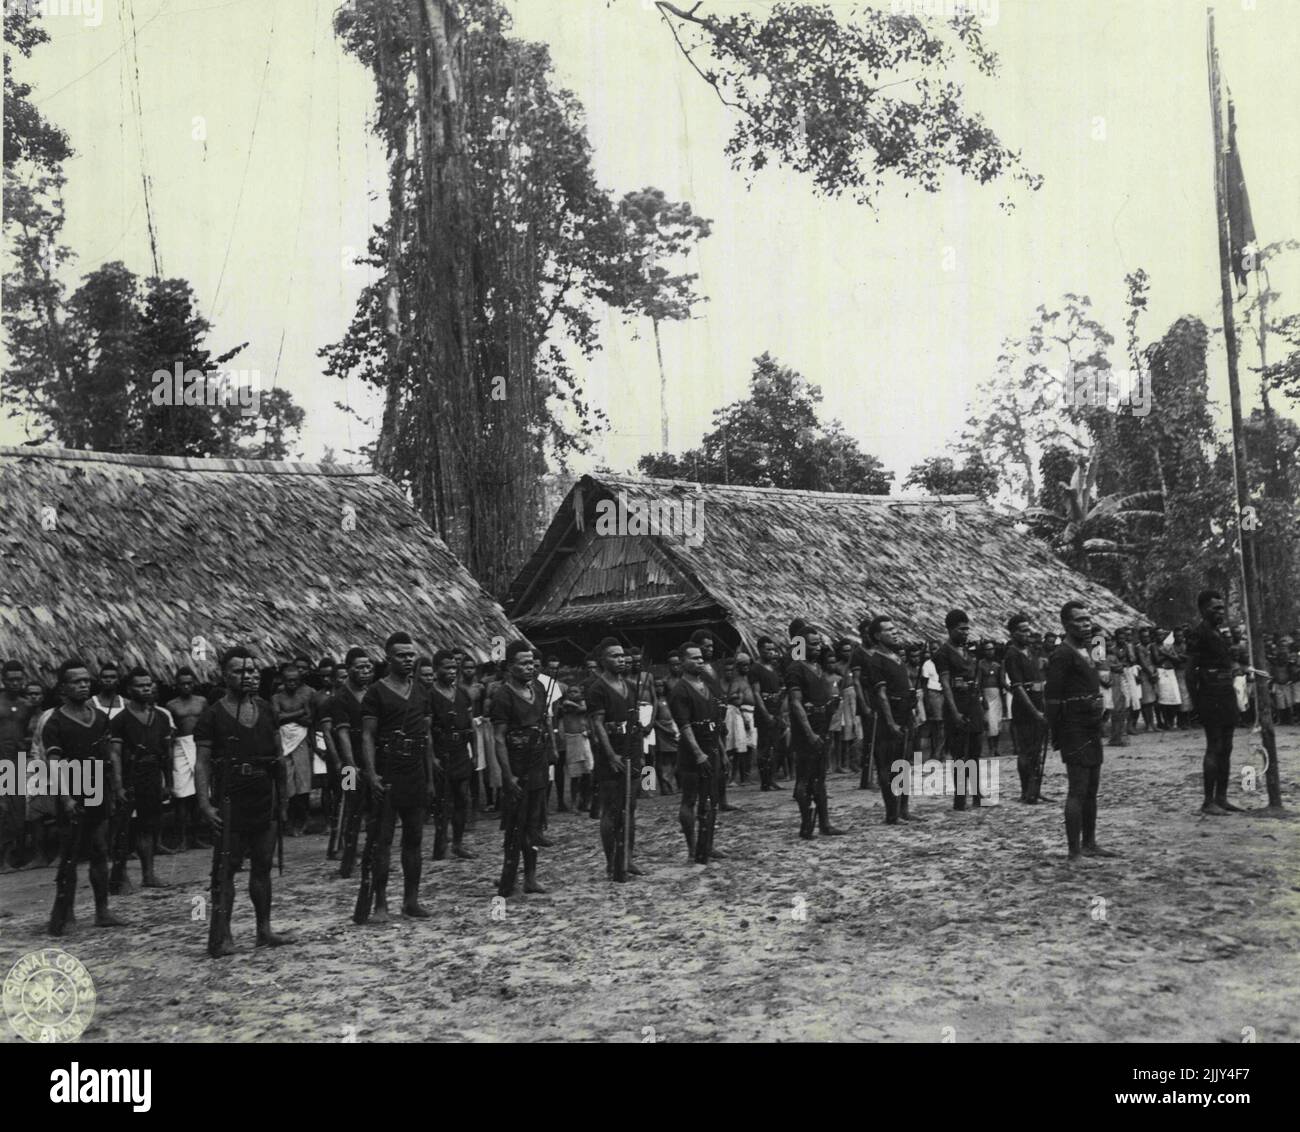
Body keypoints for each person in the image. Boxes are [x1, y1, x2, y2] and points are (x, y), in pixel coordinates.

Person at [195, 647, 290, 956]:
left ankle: (264, 930)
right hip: (230, 799)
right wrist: (205, 805)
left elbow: (278, 757)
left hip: (264, 796)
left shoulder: (266, 708)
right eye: (239, 671)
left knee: (262, 866)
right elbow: (202, 763)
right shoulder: (212, 713)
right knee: (226, 870)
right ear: (225, 676)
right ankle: (222, 937)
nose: (248, 676)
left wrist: (283, 800)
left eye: (252, 671)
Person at [355, 632, 435, 921]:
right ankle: (379, 905)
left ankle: (411, 901)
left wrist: (429, 779)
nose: (408, 659)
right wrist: (371, 773)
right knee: (382, 841)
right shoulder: (376, 692)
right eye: (402, 655)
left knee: (414, 838)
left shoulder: (422, 692)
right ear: (388, 658)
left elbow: (426, 736)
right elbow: (367, 735)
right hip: (388, 772)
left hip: (415, 770)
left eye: (411, 654)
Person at [46, 658, 126, 935]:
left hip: (97, 788)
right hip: (72, 785)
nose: (83, 685)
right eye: (76, 682)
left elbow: (109, 755)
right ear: (63, 687)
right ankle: (65, 915)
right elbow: (53, 764)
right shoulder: (54, 722)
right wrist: (66, 798)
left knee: (100, 850)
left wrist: (115, 790)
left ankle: (102, 910)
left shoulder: (100, 718)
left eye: (85, 681)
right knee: (69, 855)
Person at [1044, 602, 1116, 861]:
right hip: (1072, 726)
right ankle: (1074, 851)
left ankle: (1090, 843)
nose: (1086, 624)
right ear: (1065, 624)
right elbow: (1052, 697)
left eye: (1088, 619)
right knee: (1078, 788)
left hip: (1090, 723)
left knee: (1092, 787)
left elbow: (1102, 674)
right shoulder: (1062, 654)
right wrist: (1056, 732)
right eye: (1079, 620)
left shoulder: (1090, 649)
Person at [491, 641, 555, 897]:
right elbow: (498, 738)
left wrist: (550, 751)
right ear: (509, 667)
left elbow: (543, 722)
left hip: (538, 764)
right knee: (515, 826)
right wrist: (508, 775)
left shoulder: (539, 688)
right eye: (523, 663)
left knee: (533, 825)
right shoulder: (502, 696)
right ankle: (509, 879)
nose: (530, 667)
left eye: (531, 662)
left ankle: (531, 877)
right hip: (517, 767)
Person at [108, 668, 173, 891]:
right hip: (129, 776)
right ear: (129, 689)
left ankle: (149, 875)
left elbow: (167, 752)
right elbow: (115, 754)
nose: (146, 688)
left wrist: (169, 782)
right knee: (123, 827)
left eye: (148, 684)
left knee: (149, 825)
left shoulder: (162, 717)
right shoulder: (120, 719)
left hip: (153, 774)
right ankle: (120, 877)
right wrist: (118, 786)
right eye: (140, 685)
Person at [586, 638, 644, 881]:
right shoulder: (597, 688)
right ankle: (612, 862)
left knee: (630, 808)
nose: (620, 659)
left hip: (632, 749)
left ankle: (627, 859)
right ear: (603, 661)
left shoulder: (631, 686)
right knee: (611, 809)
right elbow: (597, 724)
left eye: (622, 655)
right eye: (614, 656)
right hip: (611, 752)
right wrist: (610, 755)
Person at [786, 625, 846, 840]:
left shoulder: (819, 668)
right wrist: (810, 733)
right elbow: (796, 703)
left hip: (822, 727)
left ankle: (825, 823)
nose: (818, 647)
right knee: (804, 779)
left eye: (819, 643)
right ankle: (806, 825)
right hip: (806, 730)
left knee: (820, 779)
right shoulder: (796, 668)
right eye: (813, 644)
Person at [1186, 590, 1242, 815]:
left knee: (1227, 747)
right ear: (1202, 609)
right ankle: (1208, 801)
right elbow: (1190, 672)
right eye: (1215, 608)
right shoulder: (1198, 633)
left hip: (1226, 692)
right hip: (1210, 694)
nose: (1220, 612)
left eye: (1222, 608)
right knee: (1215, 746)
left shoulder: (1218, 634)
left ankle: (1222, 797)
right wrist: (1196, 702)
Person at [668, 643, 723, 864]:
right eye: (694, 658)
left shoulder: (706, 685)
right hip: (692, 752)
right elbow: (684, 725)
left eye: (701, 658)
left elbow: (715, 722)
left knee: (710, 799)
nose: (700, 661)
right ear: (683, 662)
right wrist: (698, 753)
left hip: (711, 746)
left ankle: (707, 844)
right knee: (690, 798)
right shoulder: (680, 690)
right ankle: (693, 847)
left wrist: (719, 751)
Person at [863, 616, 920, 824]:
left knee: (904, 764)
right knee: (888, 767)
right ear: (877, 636)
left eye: (895, 629)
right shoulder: (875, 660)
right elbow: (881, 694)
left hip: (905, 714)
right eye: (889, 630)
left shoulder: (897, 658)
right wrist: (890, 722)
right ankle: (892, 813)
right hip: (890, 719)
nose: (894, 632)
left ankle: (903, 810)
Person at [428, 649, 476, 861]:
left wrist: (473, 752)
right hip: (441, 752)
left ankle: (457, 843)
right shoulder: (429, 695)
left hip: (460, 752)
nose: (451, 672)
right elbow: (426, 731)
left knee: (462, 799)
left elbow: (471, 724)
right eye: (446, 668)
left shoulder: (463, 694)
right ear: (436, 669)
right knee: (442, 802)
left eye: (453, 668)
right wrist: (432, 757)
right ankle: (440, 844)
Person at [330, 647, 374, 878]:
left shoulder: (372, 693)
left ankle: (371, 858)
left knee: (374, 809)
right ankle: (347, 861)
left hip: (371, 757)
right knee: (350, 808)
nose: (365, 671)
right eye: (360, 667)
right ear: (349, 670)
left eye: (368, 666)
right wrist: (350, 764)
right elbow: (342, 734)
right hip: (351, 762)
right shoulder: (340, 698)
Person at [934, 610, 984, 810]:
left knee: (975, 751)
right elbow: (945, 685)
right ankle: (960, 797)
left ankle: (977, 793)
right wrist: (954, 712)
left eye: (967, 629)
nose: (965, 633)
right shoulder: (943, 653)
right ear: (950, 629)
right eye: (961, 629)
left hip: (973, 704)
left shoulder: (969, 652)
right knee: (959, 754)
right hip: (956, 705)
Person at [1004, 613, 1048, 803]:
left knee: (1037, 749)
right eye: (1022, 630)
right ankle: (1025, 791)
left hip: (1038, 700)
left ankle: (1035, 788)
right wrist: (1034, 711)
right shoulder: (1012, 654)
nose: (1027, 633)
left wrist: (1043, 706)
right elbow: (1018, 687)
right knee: (1025, 750)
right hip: (1024, 706)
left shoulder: (1030, 652)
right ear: (1013, 634)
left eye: (1028, 629)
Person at [164, 667, 208, 853]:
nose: (186, 687)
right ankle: (181, 839)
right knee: (181, 795)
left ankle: (195, 837)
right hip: (180, 747)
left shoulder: (202, 701)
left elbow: (207, 724)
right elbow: (170, 731)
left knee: (199, 794)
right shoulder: (171, 705)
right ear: (176, 685)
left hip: (198, 745)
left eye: (189, 683)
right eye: (183, 684)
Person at [272, 661, 315, 837]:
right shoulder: (277, 697)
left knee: (304, 782)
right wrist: (298, 714)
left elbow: (310, 719)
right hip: (284, 741)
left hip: (302, 740)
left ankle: (304, 820)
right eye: (288, 680)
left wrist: (287, 717)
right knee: (287, 782)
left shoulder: (308, 694)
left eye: (295, 680)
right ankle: (288, 820)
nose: (292, 684)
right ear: (283, 680)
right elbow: (276, 719)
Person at [0, 660, 33, 872]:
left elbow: (26, 733)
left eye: (18, 679)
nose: (15, 683)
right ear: (3, 680)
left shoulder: (26, 705)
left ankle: (9, 858)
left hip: (17, 762)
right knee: (1, 810)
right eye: (11, 679)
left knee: (16, 813)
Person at [749, 637, 785, 792]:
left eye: (772, 649)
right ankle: (764, 782)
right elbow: (756, 694)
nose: (771, 652)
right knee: (764, 747)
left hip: (776, 710)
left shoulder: (773, 668)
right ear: (759, 650)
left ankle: (772, 779)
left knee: (776, 746)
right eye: (767, 649)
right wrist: (765, 714)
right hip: (764, 713)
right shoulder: (755, 669)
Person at [652, 677, 679, 795]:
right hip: (660, 732)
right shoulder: (654, 701)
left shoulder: (668, 699)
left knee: (674, 759)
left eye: (661, 686)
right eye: (657, 686)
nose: (659, 688)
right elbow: (654, 720)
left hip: (671, 730)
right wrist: (664, 729)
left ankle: (671, 785)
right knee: (661, 760)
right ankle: (651, 788)